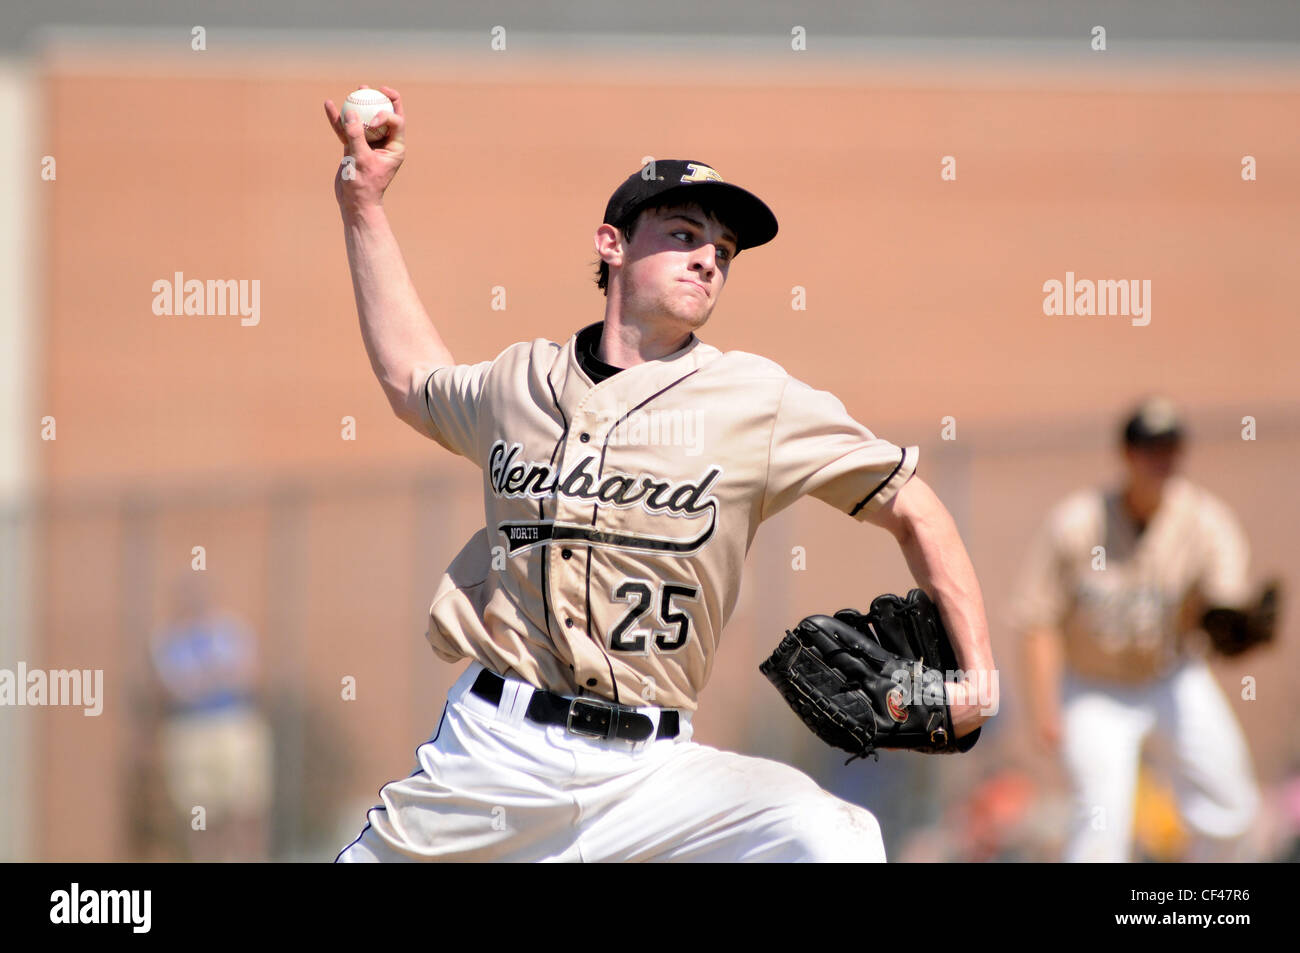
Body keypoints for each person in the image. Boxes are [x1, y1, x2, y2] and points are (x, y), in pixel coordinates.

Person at [323, 85, 997, 862]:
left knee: (832, 833)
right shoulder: (519, 383)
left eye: (724, 252)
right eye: (683, 234)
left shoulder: (757, 399)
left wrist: (978, 679)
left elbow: (913, 504)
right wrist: (364, 207)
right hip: (493, 762)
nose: (709, 257)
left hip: (656, 776)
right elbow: (412, 379)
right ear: (612, 244)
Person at [1012, 397, 1262, 862]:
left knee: (1231, 807)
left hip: (1172, 678)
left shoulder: (1205, 522)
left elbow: (1228, 602)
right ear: (1126, 455)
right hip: (1093, 688)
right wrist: (1044, 707)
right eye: (1150, 448)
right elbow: (1037, 619)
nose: (1161, 460)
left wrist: (1234, 621)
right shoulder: (1079, 522)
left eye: (1170, 448)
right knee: (1101, 822)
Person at [149, 573, 274, 862]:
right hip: (190, 730)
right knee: (199, 810)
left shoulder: (229, 631)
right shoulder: (167, 640)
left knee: (242, 805)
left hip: (232, 724)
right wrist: (213, 678)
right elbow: (174, 690)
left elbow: (244, 676)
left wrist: (201, 681)